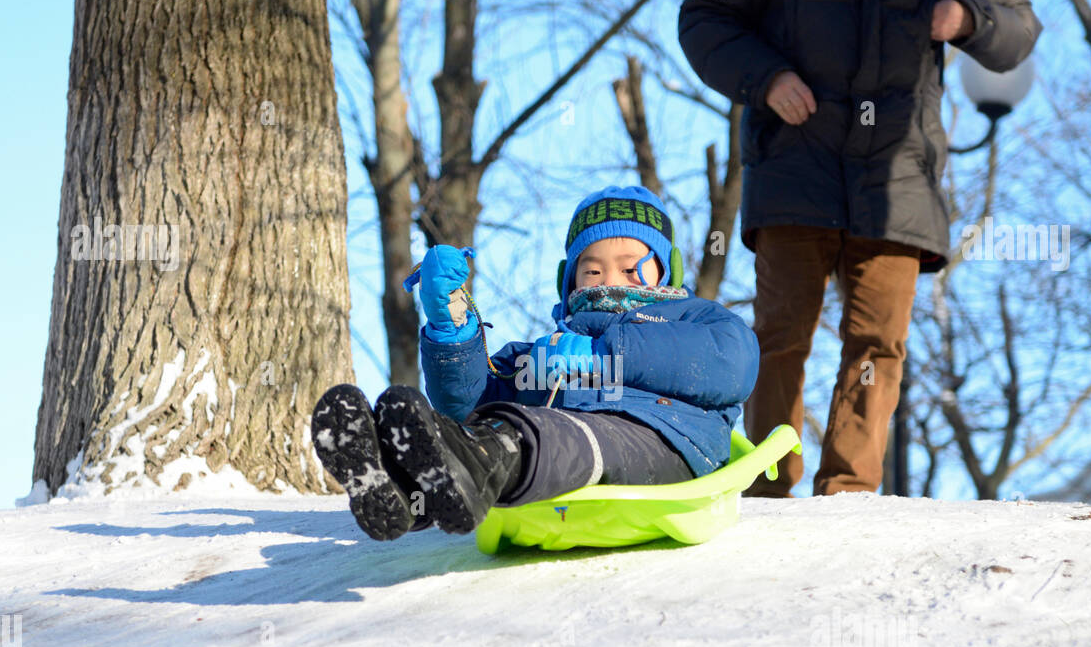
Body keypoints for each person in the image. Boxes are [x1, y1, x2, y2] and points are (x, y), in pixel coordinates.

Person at [677, 0, 1041, 497]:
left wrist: (968, 18)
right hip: (794, 164)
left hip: (897, 181)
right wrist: (768, 79)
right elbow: (704, 16)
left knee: (879, 340)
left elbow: (1019, 25)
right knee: (780, 335)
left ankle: (850, 490)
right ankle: (769, 486)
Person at [312, 185, 759, 540]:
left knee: (553, 434)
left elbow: (730, 362)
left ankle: (478, 460)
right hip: (553, 458)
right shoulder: (546, 351)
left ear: (667, 271)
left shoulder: (692, 317)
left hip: (666, 445)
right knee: (488, 423)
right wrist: (453, 330)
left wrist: (607, 355)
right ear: (569, 279)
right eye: (593, 269)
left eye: (630, 268)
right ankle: (402, 482)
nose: (609, 280)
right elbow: (467, 400)